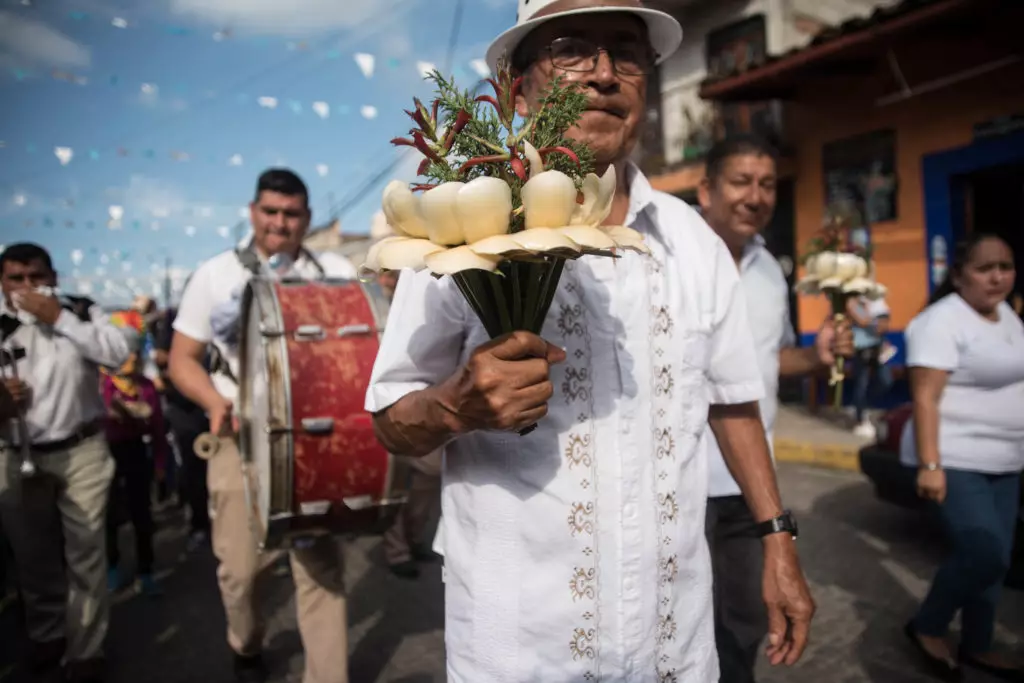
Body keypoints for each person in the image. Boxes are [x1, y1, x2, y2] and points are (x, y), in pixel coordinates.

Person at [365, 2, 815, 680]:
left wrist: (778, 540)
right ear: (517, 92)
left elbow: (732, 402)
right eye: (572, 48)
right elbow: (391, 419)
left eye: (626, 52)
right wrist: (459, 404)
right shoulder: (459, 232)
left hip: (672, 646)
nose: (605, 74)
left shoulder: (693, 243)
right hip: (521, 650)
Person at [169, 168, 355, 683]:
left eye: (291, 213)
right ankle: (244, 642)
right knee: (241, 570)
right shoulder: (215, 273)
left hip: (314, 436)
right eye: (270, 211)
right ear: (253, 212)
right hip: (238, 431)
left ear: (307, 218)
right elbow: (182, 359)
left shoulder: (335, 268)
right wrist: (212, 401)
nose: (279, 223)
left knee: (321, 567)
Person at [696, 135, 852, 683]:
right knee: (674, 622)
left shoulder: (768, 268)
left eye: (766, 184)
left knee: (740, 620)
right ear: (706, 188)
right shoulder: (671, 255)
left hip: (747, 484)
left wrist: (816, 355)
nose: (756, 196)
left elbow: (768, 359)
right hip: (676, 478)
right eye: (741, 181)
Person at [0, 243, 134, 683]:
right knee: (33, 555)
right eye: (15, 279)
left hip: (82, 451)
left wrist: (59, 317)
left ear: (52, 277)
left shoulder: (80, 310)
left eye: (35, 277)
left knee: (86, 555)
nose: (26, 288)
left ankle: (86, 649)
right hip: (18, 453)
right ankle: (47, 634)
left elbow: (117, 352)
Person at [901, 234, 1024, 682]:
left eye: (1006, 266)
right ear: (958, 274)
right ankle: (927, 625)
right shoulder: (941, 321)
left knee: (998, 561)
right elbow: (925, 398)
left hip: (1007, 460)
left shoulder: (1008, 314)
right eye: (984, 268)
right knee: (983, 550)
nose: (997, 277)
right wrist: (930, 465)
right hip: (957, 458)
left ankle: (978, 645)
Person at [101, 326, 167, 597]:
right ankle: (112, 566)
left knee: (142, 514)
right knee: (108, 514)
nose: (131, 358)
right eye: (125, 353)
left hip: (138, 453)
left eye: (135, 353)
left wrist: (161, 466)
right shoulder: (101, 384)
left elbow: (159, 429)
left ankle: (146, 571)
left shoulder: (146, 386)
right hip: (107, 453)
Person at [156, 302, 211, 551]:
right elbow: (161, 357)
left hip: (223, 405)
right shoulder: (175, 318)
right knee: (193, 469)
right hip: (187, 408)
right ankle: (200, 525)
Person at [846, 293, 893, 438]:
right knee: (861, 382)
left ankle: (862, 405)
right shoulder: (852, 299)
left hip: (877, 346)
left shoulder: (875, 297)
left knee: (886, 380)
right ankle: (860, 420)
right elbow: (862, 320)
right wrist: (875, 319)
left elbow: (884, 324)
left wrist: (878, 319)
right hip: (861, 348)